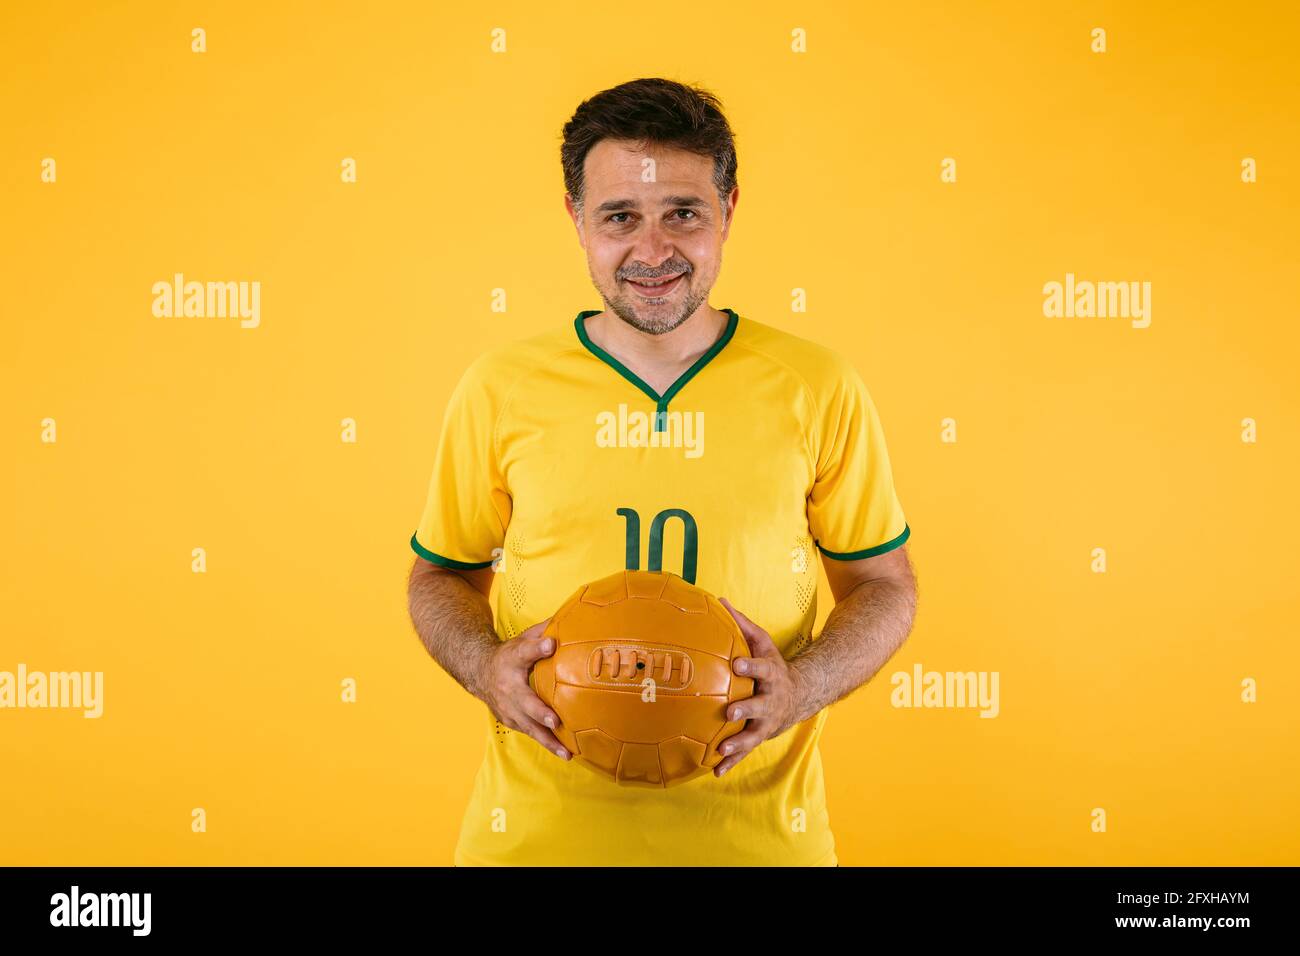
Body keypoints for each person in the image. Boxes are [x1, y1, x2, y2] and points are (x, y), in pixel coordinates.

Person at [406, 77, 917, 866]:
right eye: (620, 217)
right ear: (577, 219)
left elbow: (884, 586)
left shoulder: (818, 385)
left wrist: (802, 687)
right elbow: (438, 576)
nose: (653, 252)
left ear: (729, 210)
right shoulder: (499, 386)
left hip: (758, 847)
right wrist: (485, 669)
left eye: (683, 212)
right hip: (534, 846)